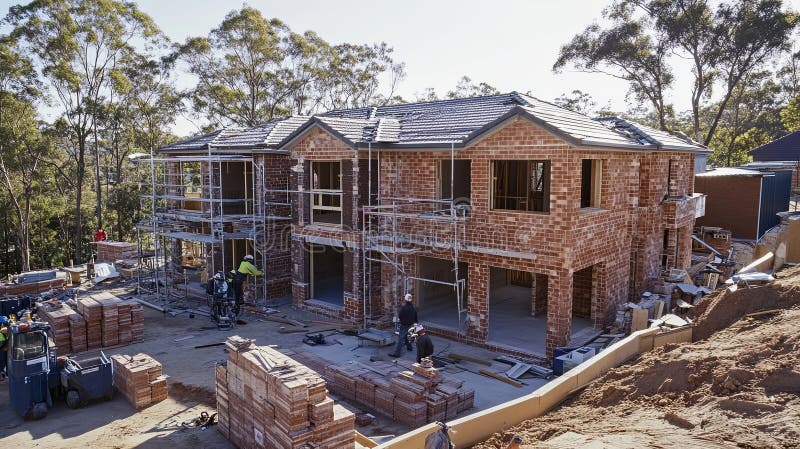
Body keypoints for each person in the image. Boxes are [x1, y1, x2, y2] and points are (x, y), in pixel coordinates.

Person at [389, 293, 417, 358]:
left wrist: (402, 321)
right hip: (410, 324)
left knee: (400, 339)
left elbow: (400, 316)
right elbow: (415, 316)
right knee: (407, 336)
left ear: (405, 300)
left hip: (404, 325)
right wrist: (415, 323)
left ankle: (397, 353)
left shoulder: (404, 308)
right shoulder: (413, 307)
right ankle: (409, 347)